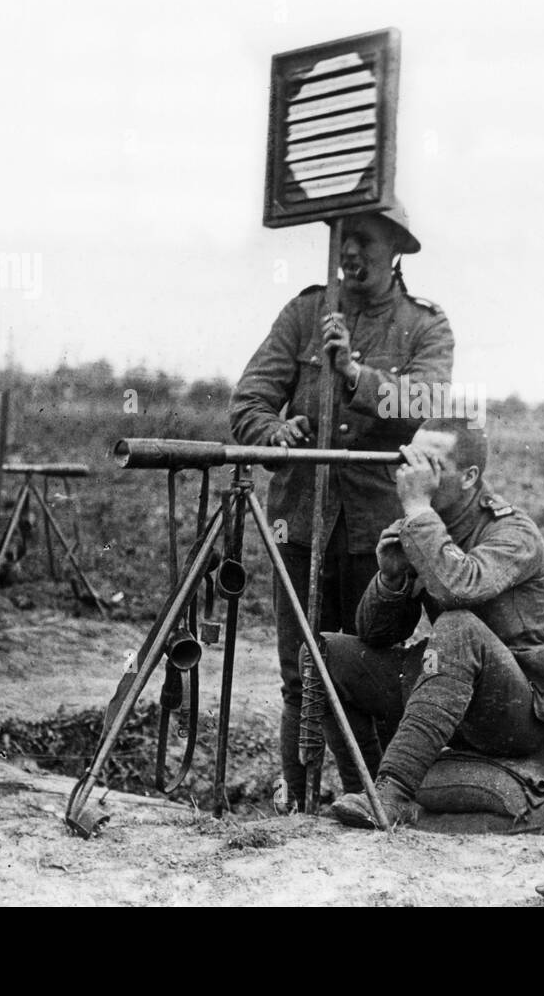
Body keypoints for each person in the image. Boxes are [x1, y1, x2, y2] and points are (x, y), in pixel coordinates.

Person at [230, 202, 454, 811]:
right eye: (342, 242)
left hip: (377, 539)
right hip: (301, 525)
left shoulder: (424, 326)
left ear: (394, 249)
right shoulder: (306, 312)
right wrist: (273, 434)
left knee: (368, 672)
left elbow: (428, 400)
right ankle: (295, 806)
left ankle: (371, 802)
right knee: (299, 675)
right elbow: (248, 403)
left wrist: (355, 374)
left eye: (363, 240)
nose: (349, 253)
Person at [323, 416, 544, 829]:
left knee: (458, 625)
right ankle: (366, 789)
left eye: (431, 467)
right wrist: (391, 579)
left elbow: (458, 588)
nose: (416, 478)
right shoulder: (427, 524)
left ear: (469, 476)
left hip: (517, 706)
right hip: (449, 687)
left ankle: (392, 795)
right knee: (329, 654)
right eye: (410, 463)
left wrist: (417, 511)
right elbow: (376, 635)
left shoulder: (511, 531)